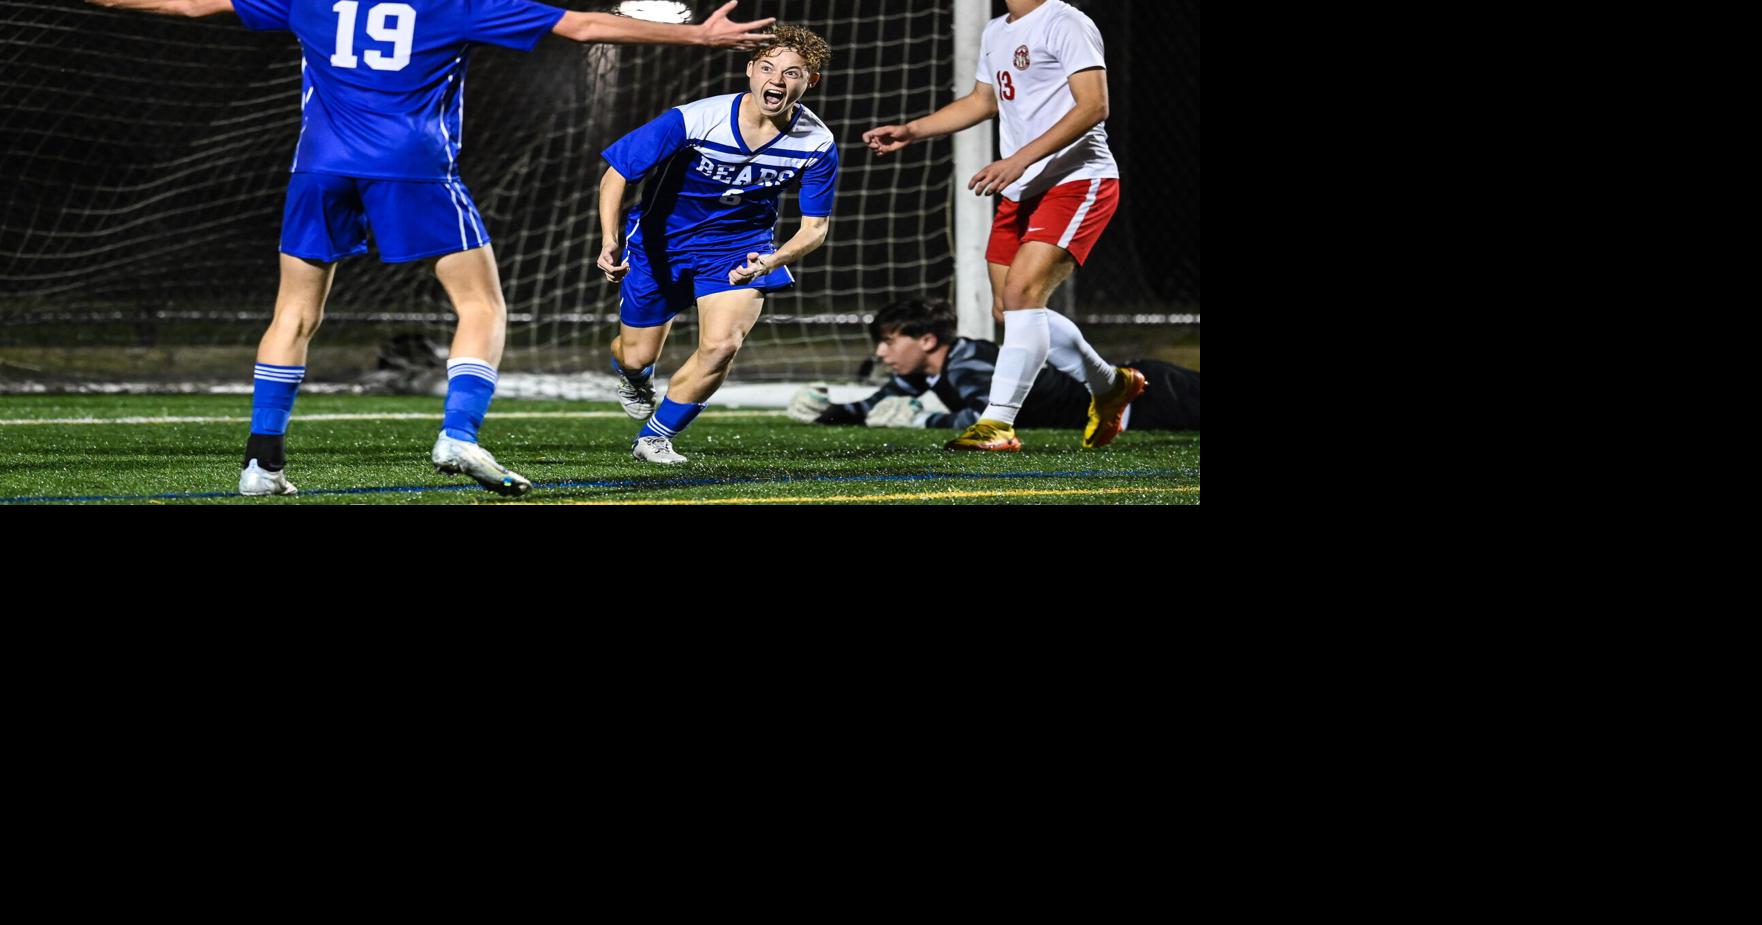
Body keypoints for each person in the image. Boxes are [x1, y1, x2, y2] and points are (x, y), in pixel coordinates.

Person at [85, 0, 776, 496]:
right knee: (481, 305)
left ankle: (261, 466)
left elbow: (184, 6)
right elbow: (581, 24)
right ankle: (459, 434)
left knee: (292, 314)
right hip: (414, 165)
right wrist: (698, 39)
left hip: (319, 167)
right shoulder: (452, 6)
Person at [863, 0, 1141, 453]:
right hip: (1021, 186)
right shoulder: (997, 30)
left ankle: (997, 423)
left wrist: (1018, 159)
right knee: (1008, 311)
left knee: (1021, 297)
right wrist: (913, 130)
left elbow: (1094, 106)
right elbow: (982, 101)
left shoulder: (1065, 21)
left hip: (1077, 180)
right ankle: (1111, 386)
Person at [597, 24, 836, 464]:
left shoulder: (817, 143)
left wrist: (770, 260)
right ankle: (633, 376)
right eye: (768, 68)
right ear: (750, 70)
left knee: (723, 344)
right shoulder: (695, 118)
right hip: (660, 246)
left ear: (810, 82)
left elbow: (814, 229)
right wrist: (610, 241)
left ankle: (656, 436)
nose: (777, 81)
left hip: (737, 249)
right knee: (636, 354)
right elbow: (618, 173)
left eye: (792, 73)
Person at [787, 297, 1198, 435]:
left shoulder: (969, 365)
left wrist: (924, 422)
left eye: (889, 342)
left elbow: (990, 420)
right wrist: (827, 412)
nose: (880, 353)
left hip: (1148, 397)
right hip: (1133, 404)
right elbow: (880, 406)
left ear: (927, 340)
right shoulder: (928, 371)